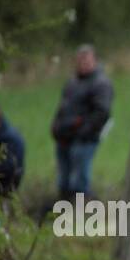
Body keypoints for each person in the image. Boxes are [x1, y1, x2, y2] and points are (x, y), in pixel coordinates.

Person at [49, 44, 113, 199]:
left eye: (87, 61)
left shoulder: (101, 84)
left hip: (84, 139)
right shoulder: (72, 83)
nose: (83, 64)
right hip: (65, 138)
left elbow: (102, 113)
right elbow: (63, 108)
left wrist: (84, 131)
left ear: (95, 61)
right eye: (80, 61)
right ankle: (63, 211)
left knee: (80, 180)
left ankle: (83, 212)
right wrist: (57, 128)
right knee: (64, 179)